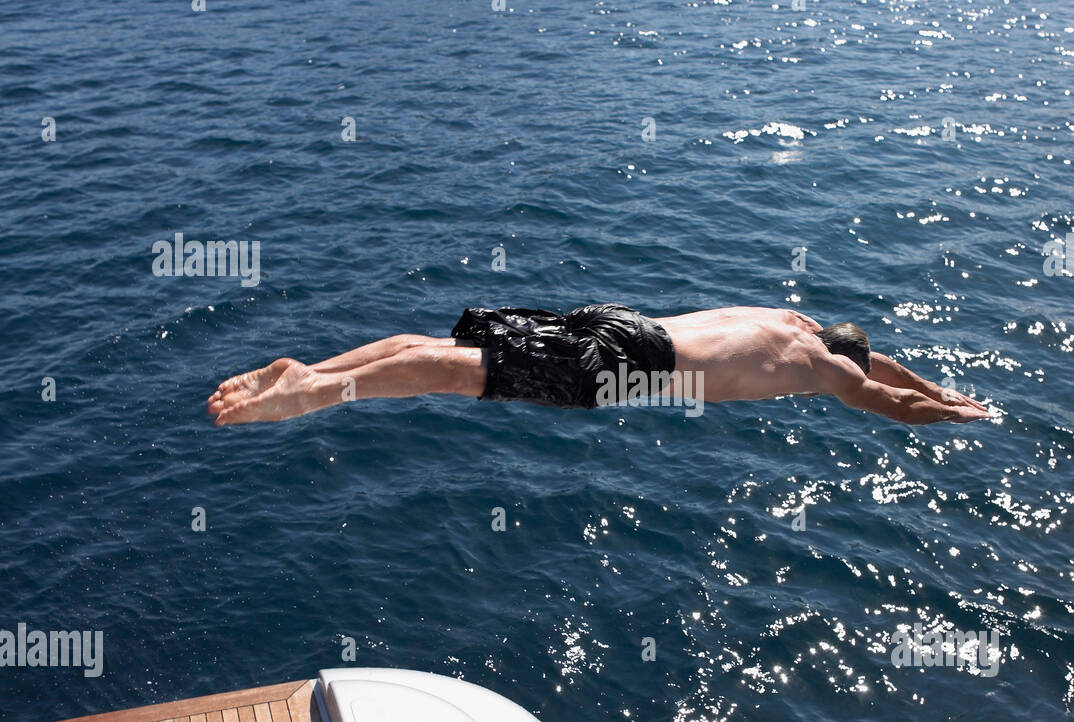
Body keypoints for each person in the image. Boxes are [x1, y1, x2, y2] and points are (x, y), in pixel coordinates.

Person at [207, 304, 989, 426]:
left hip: (618, 318)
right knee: (458, 374)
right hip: (630, 364)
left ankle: (308, 366)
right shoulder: (826, 369)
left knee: (438, 349)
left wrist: (931, 378)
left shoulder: (792, 319)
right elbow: (888, 399)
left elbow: (877, 357)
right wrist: (954, 410)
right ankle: (312, 393)